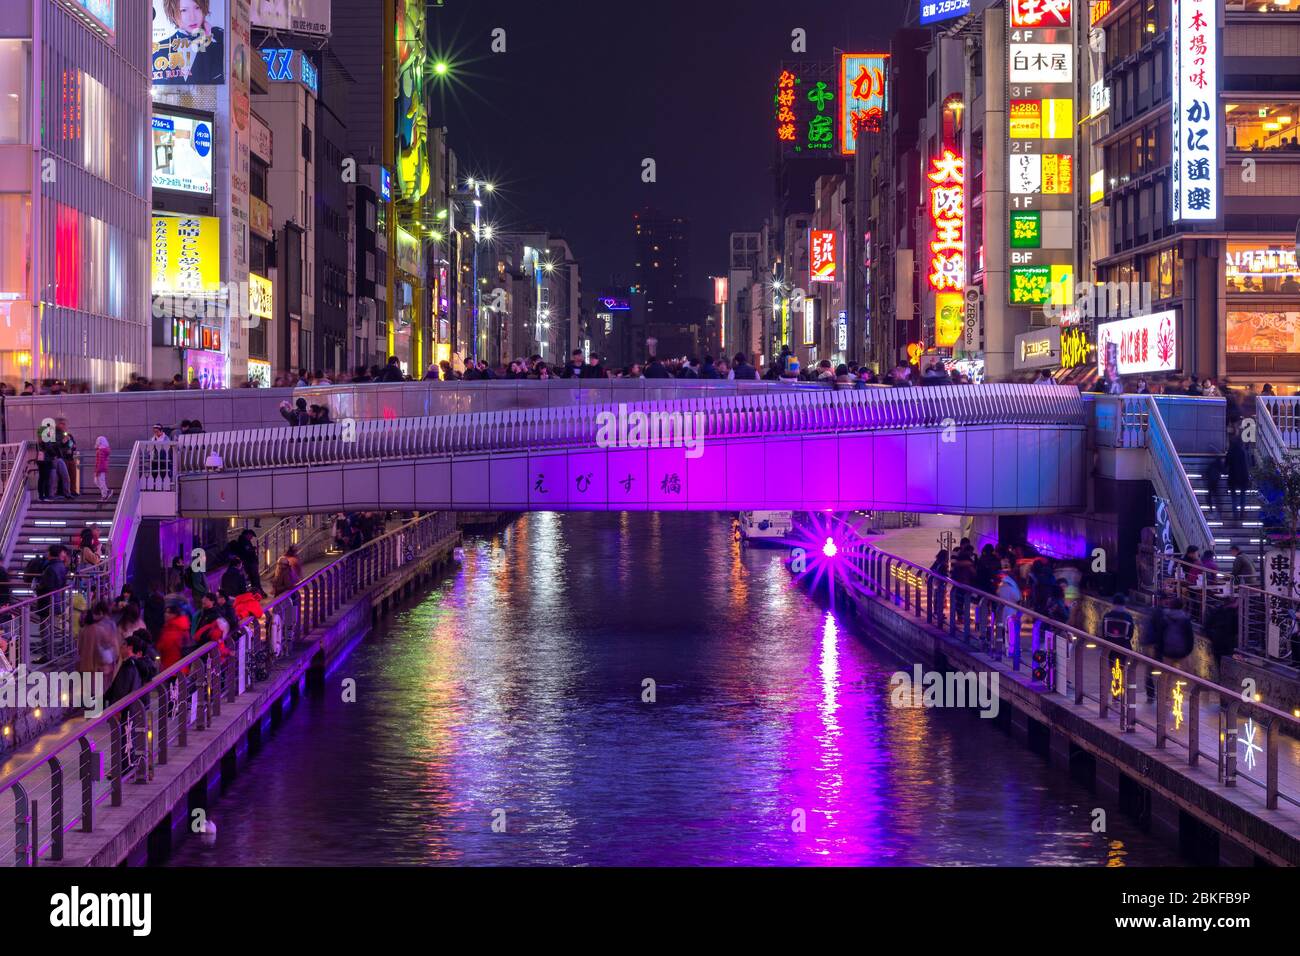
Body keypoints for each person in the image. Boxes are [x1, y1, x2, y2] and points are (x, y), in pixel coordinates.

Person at [155, 0, 226, 85]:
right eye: (184, 10)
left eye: (197, 8)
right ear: (172, 13)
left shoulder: (218, 48)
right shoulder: (158, 50)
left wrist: (215, 32)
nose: (192, 17)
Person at [77, 600, 121, 698]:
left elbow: (79, 649)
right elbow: (112, 647)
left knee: (89, 694)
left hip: (86, 667)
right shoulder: (102, 629)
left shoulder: (83, 630)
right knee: (101, 694)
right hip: (100, 667)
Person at [228, 530, 264, 596]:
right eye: (251, 536)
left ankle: (258, 592)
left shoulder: (244, 541)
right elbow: (247, 552)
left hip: (250, 562)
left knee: (254, 579)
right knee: (255, 579)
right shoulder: (244, 541)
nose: (251, 538)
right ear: (247, 534)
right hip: (250, 563)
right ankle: (258, 593)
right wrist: (253, 549)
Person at [157, 602, 191, 671]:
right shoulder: (170, 627)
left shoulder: (176, 628)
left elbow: (164, 645)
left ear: (175, 614)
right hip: (174, 666)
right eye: (166, 612)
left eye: (169, 613)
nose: (166, 614)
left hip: (174, 667)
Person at [93, 435, 112, 501]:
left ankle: (104, 495)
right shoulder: (104, 449)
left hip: (100, 468)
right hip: (102, 468)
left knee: (99, 482)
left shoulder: (100, 450)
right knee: (99, 481)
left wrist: (97, 471)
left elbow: (100, 462)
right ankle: (106, 492)